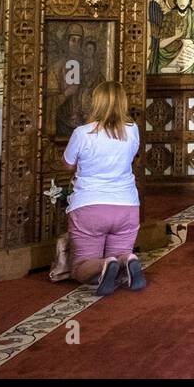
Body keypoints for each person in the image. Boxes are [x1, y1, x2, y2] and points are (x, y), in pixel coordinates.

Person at [62, 81, 144, 296]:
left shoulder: (82, 133)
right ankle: (129, 259)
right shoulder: (132, 130)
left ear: (95, 103)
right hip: (127, 206)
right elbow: (132, 157)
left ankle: (104, 265)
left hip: (90, 206)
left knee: (81, 266)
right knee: (122, 252)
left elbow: (68, 164)